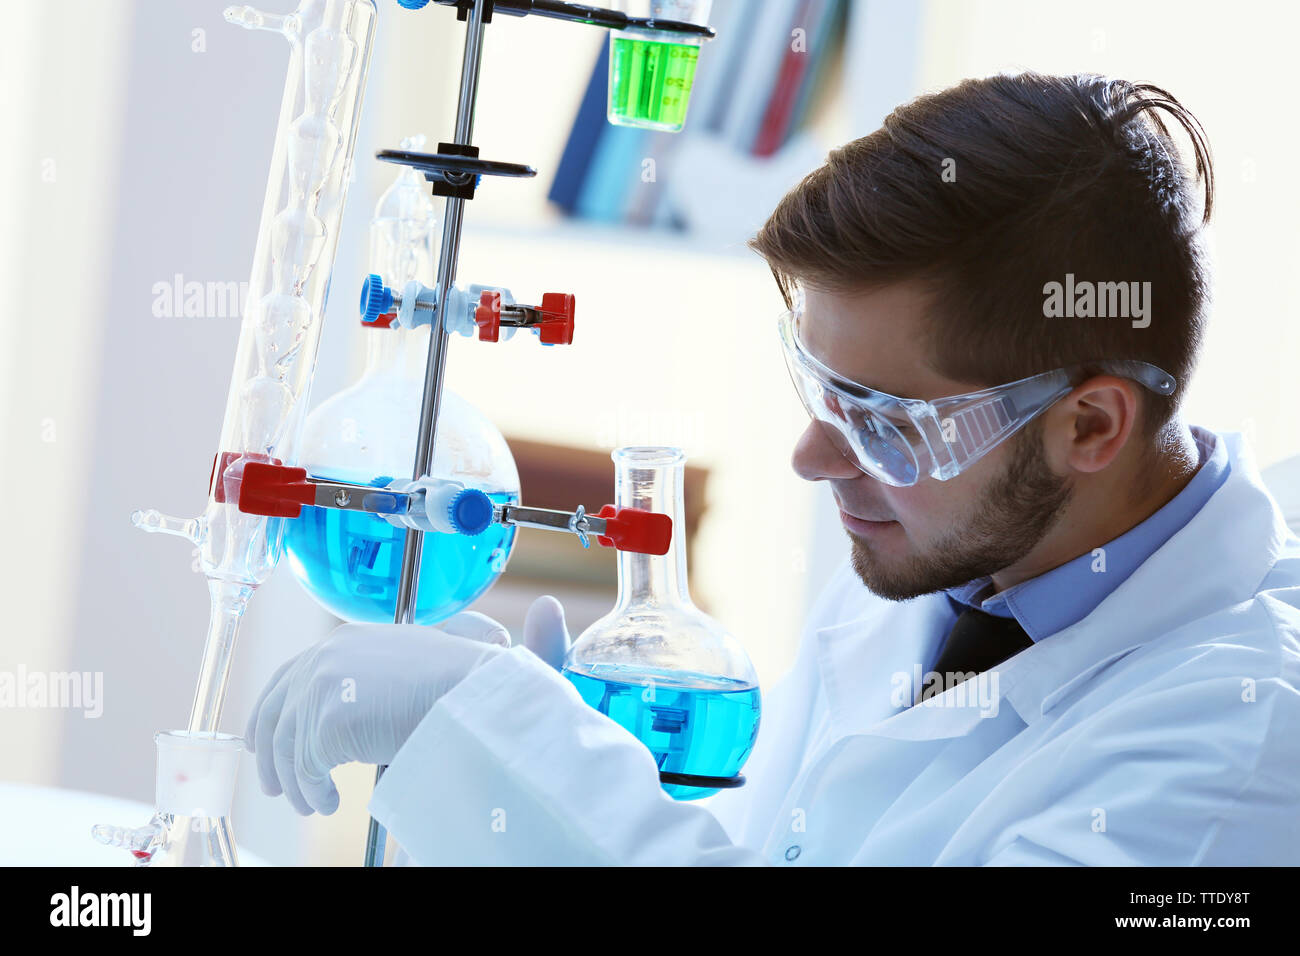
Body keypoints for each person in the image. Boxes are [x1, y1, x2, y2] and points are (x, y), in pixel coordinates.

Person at [245, 72, 1300, 865]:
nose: (812, 457)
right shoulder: (965, 552)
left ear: (1089, 425)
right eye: (818, 388)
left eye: (883, 422)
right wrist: (564, 757)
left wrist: (497, 737)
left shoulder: (1236, 749)